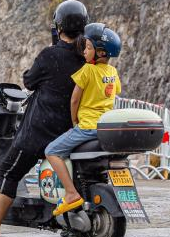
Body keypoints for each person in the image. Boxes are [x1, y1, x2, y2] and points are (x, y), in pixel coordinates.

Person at [0, 0, 88, 237]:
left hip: (40, 129)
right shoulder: (85, 58)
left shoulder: (50, 55)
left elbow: (28, 81)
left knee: (9, 170)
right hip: (70, 129)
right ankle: (70, 225)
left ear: (58, 26)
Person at [43, 25, 122, 216]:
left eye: (87, 47)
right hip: (105, 127)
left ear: (100, 52)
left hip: (86, 127)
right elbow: (115, 92)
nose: (84, 51)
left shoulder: (87, 70)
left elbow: (75, 99)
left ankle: (71, 194)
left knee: (51, 151)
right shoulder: (112, 72)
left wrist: (74, 121)